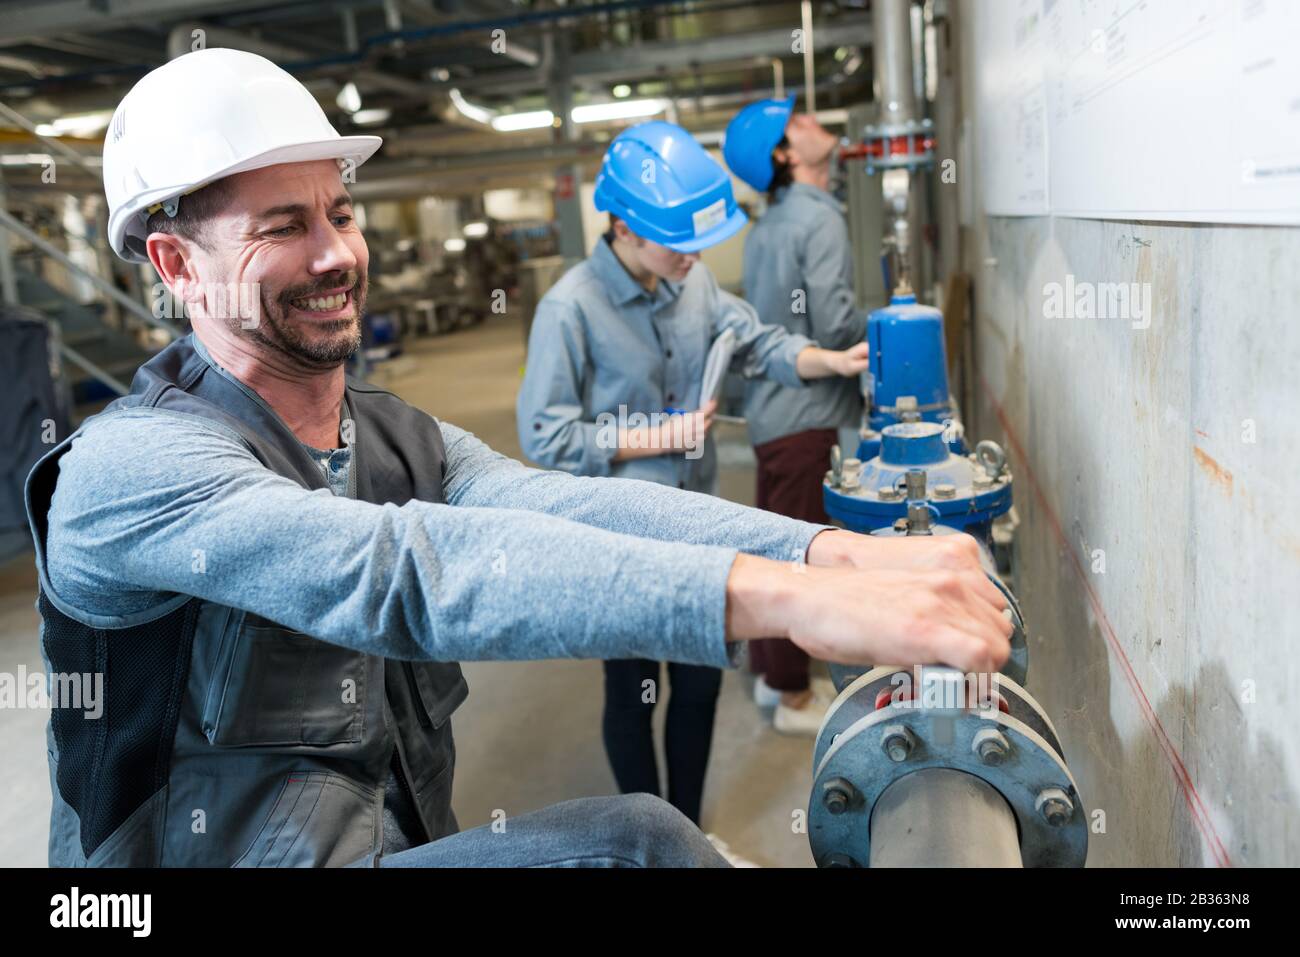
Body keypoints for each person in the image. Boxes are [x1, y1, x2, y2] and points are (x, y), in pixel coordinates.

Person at [26, 49, 1011, 868]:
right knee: (635, 845)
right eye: (283, 227)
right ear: (175, 265)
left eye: (341, 212)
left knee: (639, 837)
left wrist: (826, 559)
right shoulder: (134, 469)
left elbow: (560, 506)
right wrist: (794, 608)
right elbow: (398, 573)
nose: (336, 254)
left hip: (380, 841)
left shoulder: (388, 435)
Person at [515, 121, 871, 837]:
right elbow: (545, 436)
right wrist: (654, 435)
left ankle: (688, 831)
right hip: (614, 535)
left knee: (702, 682)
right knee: (633, 688)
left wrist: (830, 361)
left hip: (691, 524)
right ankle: (650, 842)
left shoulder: (693, 281)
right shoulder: (571, 308)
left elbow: (757, 342)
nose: (695, 255)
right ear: (621, 224)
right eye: (679, 240)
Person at [723, 97, 869, 736]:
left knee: (774, 543)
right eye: (797, 123)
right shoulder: (818, 218)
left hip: (775, 410)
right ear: (785, 155)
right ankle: (789, 694)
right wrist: (886, 326)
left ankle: (768, 673)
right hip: (805, 411)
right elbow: (836, 326)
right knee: (798, 553)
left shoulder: (771, 222)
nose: (813, 120)